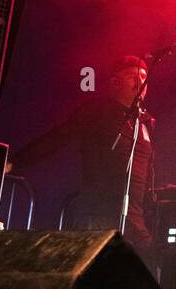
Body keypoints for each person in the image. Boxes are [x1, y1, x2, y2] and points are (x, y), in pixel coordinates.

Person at [8, 55, 157, 262]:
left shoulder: (145, 123)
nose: (141, 82)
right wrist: (14, 162)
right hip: (96, 216)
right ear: (115, 83)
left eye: (143, 76)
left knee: (147, 267)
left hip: (133, 218)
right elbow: (59, 137)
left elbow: (145, 171)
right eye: (133, 76)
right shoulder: (98, 112)